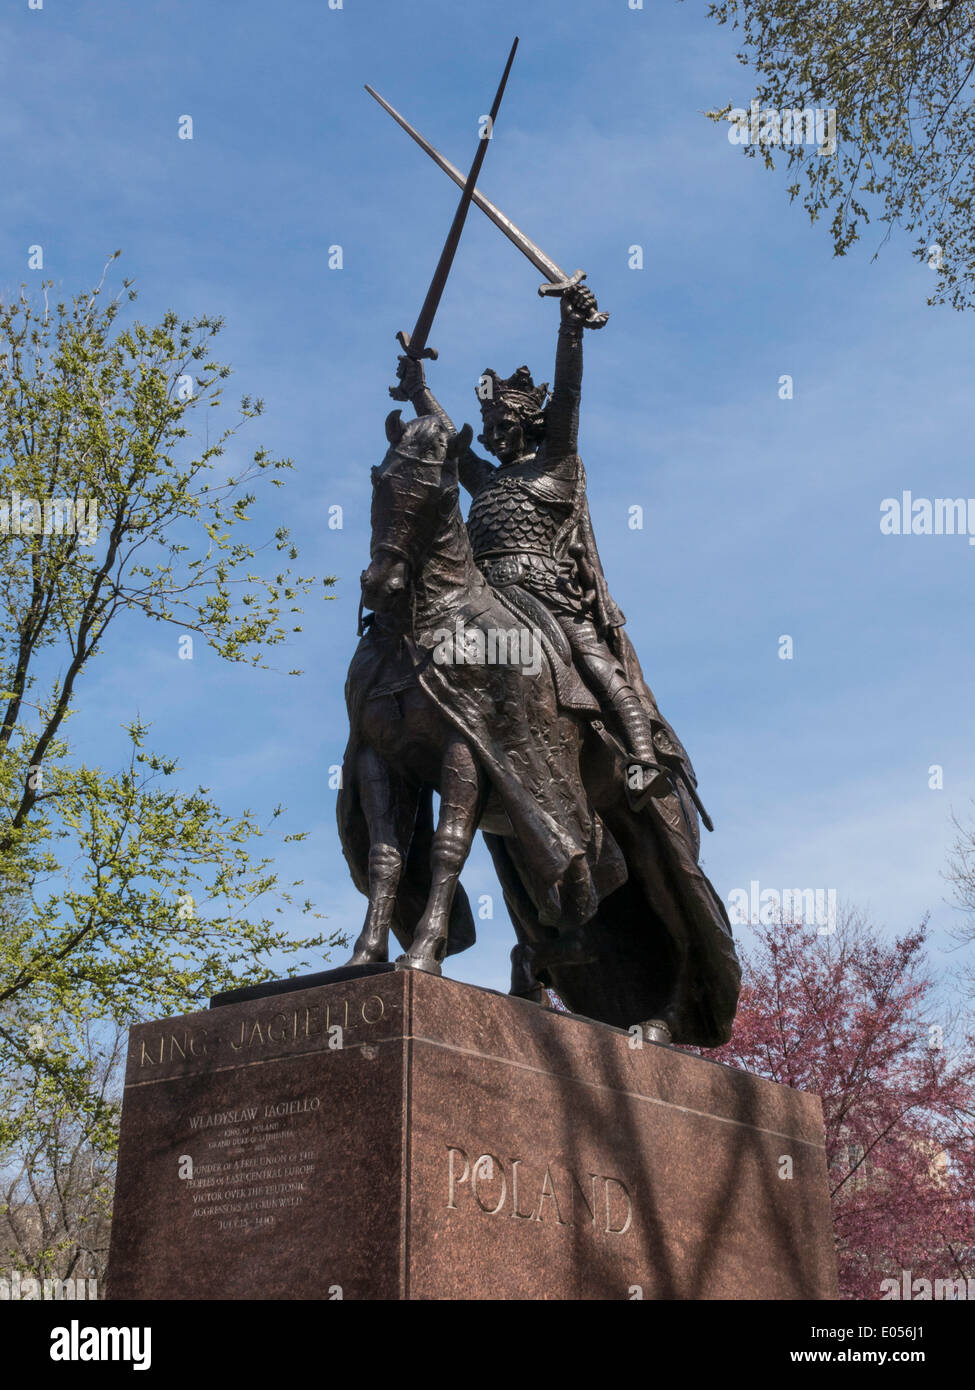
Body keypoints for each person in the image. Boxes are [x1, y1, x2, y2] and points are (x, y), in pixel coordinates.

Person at [394, 281, 673, 803]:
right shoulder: (487, 479)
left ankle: (641, 758)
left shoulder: (556, 464)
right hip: (486, 596)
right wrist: (417, 391)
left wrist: (570, 328)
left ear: (528, 425)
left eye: (504, 426)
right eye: (490, 427)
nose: (495, 436)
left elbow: (568, 394)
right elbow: (452, 440)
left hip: (543, 590)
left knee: (590, 657)